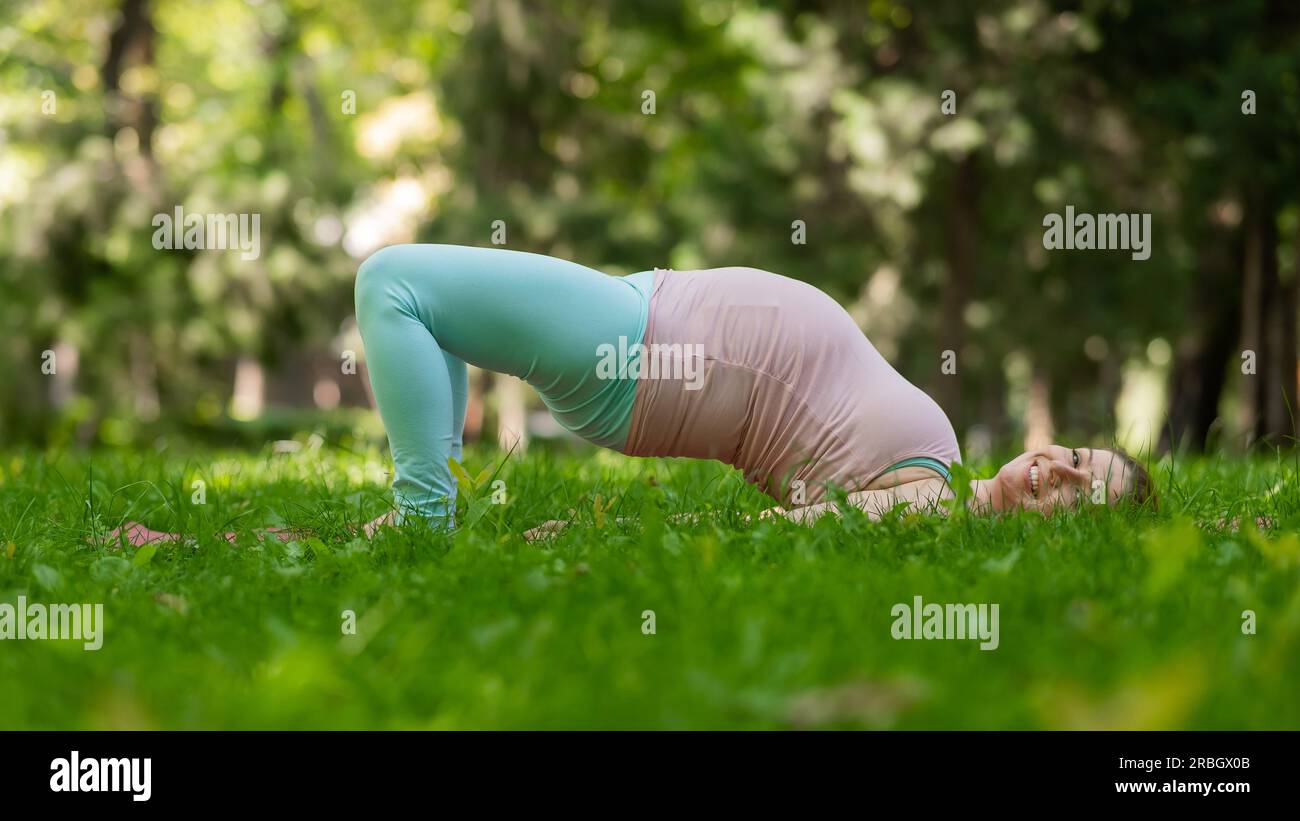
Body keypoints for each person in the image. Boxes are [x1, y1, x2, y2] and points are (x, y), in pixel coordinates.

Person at [104, 243, 1155, 547]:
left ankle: (424, 513)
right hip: (647, 318)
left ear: (1066, 534)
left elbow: (786, 541)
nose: (1058, 463)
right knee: (410, 292)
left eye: (1079, 489)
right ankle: (422, 506)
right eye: (1079, 451)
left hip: (643, 352)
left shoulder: (922, 510)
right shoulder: (931, 467)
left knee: (395, 283)